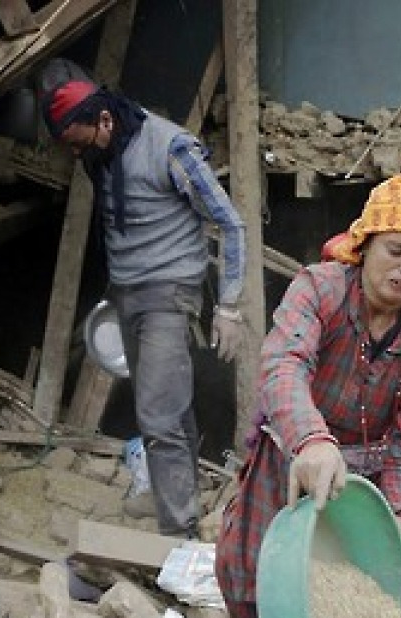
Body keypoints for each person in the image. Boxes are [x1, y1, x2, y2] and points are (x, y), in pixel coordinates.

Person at [215, 171, 401, 618]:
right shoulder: (319, 289)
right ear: (365, 241)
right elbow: (284, 364)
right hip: (288, 459)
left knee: (332, 600)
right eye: (396, 250)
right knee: (251, 579)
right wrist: (311, 440)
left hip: (358, 490)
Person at [39, 60, 247, 539]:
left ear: (104, 121)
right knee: (167, 402)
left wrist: (230, 306)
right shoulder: (100, 151)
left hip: (169, 291)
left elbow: (230, 222)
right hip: (129, 290)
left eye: (77, 143)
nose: (75, 156)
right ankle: (178, 492)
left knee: (157, 411)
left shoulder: (171, 149)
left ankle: (179, 533)